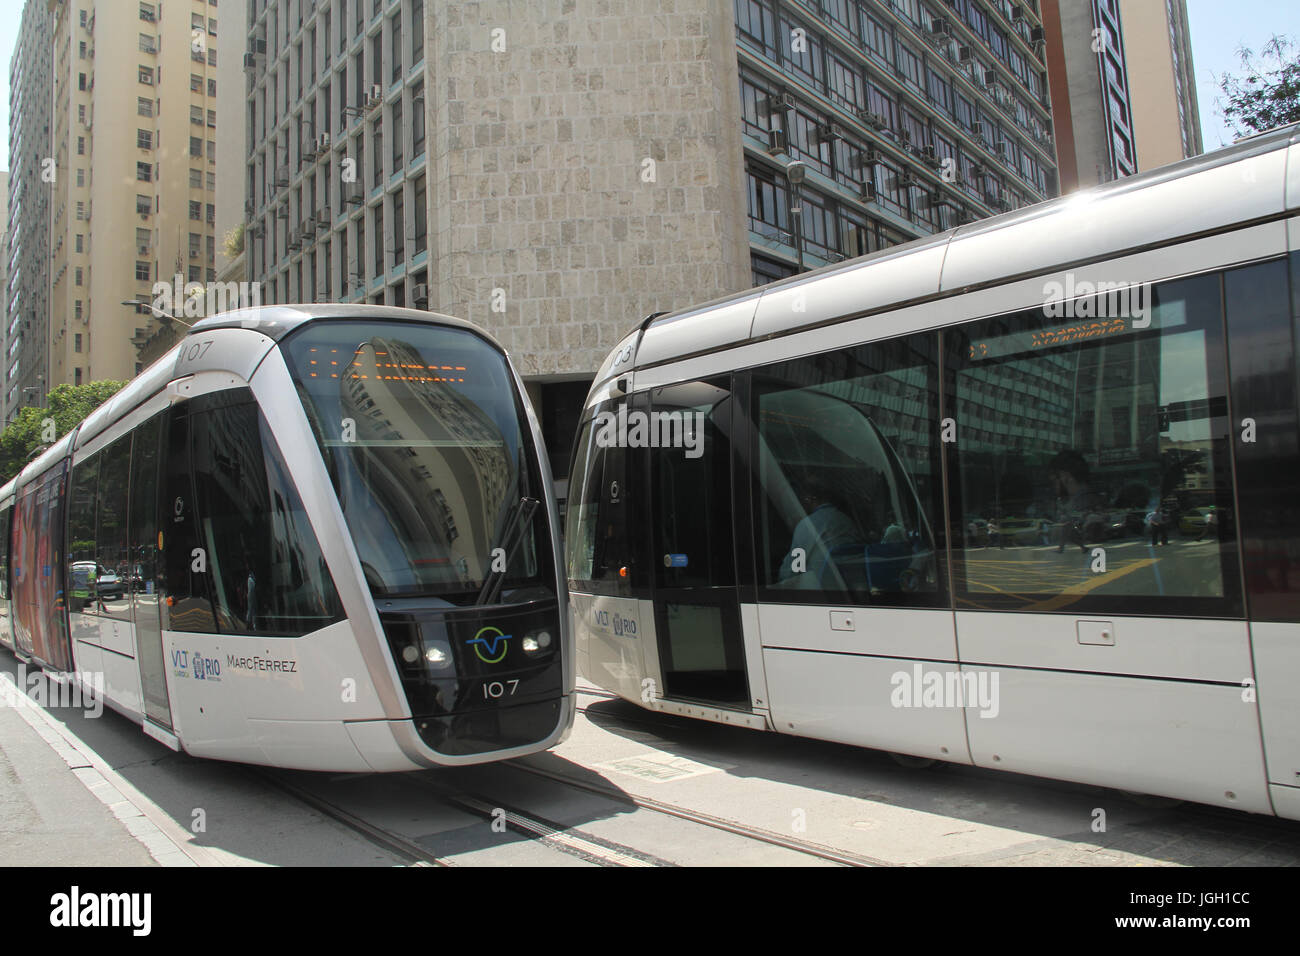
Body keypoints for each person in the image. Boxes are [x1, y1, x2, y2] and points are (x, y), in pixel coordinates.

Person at [779, 479, 861, 588]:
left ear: (810, 499)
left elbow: (793, 568)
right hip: (848, 587)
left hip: (819, 591)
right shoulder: (846, 520)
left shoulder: (807, 524)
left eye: (804, 499)